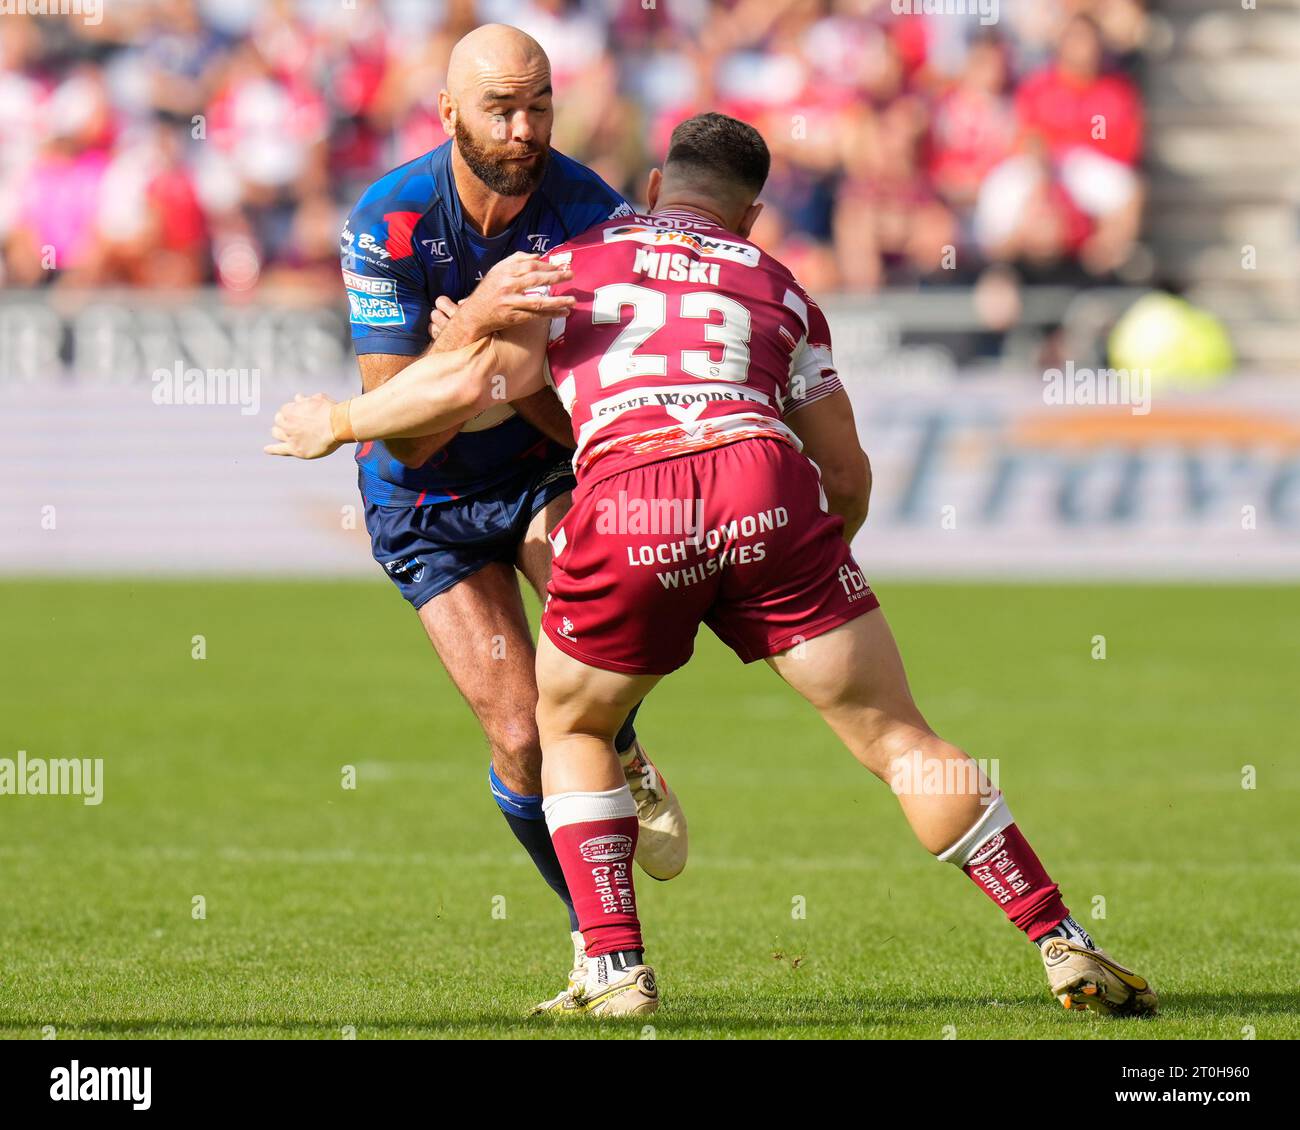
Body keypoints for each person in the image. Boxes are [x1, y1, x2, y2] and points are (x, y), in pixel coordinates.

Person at [268, 112, 1157, 1022]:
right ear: (755, 214)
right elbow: (846, 474)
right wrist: (810, 564)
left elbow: (465, 386)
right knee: (897, 738)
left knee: (570, 723)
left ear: (654, 186)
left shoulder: (574, 263)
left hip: (631, 496)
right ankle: (1059, 941)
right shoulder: (780, 288)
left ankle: (616, 970)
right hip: (760, 480)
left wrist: (335, 422)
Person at [326, 22, 686, 1012]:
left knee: (626, 611)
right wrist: (491, 333)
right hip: (426, 499)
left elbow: (590, 411)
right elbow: (406, 436)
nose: (523, 128)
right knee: (524, 735)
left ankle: (616, 739)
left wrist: (484, 355)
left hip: (541, 468)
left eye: (538, 106)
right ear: (448, 113)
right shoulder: (387, 220)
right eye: (500, 107)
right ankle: (592, 933)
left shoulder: (593, 216)